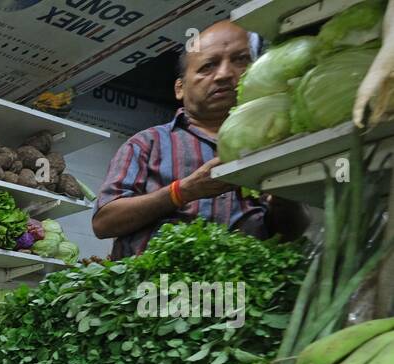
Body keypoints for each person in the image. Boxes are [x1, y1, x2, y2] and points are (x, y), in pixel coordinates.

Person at [92, 20, 307, 259]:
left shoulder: (272, 145)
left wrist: (282, 197)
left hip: (241, 292)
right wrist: (183, 191)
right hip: (154, 293)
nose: (224, 74)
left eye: (240, 60)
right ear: (180, 88)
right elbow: (104, 222)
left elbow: (291, 234)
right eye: (208, 66)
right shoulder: (146, 144)